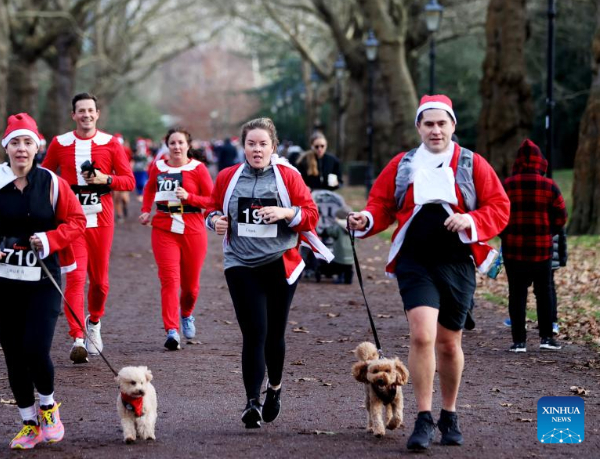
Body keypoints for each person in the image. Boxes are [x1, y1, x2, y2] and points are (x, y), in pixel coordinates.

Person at [347, 95, 510, 450]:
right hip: (415, 260)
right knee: (422, 336)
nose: (435, 130)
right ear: (419, 127)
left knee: (449, 344)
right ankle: (422, 418)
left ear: (452, 125)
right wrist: (366, 219)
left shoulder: (471, 162)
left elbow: (499, 206)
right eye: (428, 123)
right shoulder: (403, 163)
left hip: (457, 262)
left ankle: (448, 414)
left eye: (442, 123)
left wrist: (471, 218)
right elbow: (382, 204)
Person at [0, 113, 86, 449]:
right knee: (13, 353)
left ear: (37, 146)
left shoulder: (53, 184)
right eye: (15, 143)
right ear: (7, 148)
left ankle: (47, 407)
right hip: (4, 281)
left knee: (36, 347)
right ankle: (28, 422)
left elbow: (76, 221)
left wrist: (51, 239)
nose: (21, 149)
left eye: (27, 142)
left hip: (43, 279)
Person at [205, 117, 332, 429]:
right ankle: (252, 402)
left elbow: (311, 214)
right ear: (243, 146)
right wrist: (215, 222)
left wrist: (286, 212)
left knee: (274, 334)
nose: (257, 149)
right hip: (240, 264)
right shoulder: (227, 177)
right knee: (254, 333)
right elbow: (211, 210)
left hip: (279, 263)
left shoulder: (288, 176)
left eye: (263, 144)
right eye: (251, 144)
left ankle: (274, 389)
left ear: (273, 147)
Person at [41, 92, 135, 362]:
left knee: (101, 283)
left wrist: (106, 179)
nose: (86, 115)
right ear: (74, 115)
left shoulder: (111, 144)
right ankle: (77, 338)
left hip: (101, 220)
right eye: (80, 111)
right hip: (71, 221)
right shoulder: (60, 143)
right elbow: (45, 176)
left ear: (97, 114)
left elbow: (128, 181)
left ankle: (93, 321)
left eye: (90, 110)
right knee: (75, 277)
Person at [138, 127, 213, 350]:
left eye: (181, 143)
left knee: (190, 288)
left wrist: (189, 197)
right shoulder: (158, 166)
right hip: (164, 227)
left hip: (192, 228)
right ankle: (172, 331)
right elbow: (149, 188)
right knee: (170, 281)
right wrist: (145, 209)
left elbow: (211, 200)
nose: (177, 147)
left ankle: (187, 314)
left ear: (188, 146)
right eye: (173, 143)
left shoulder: (198, 169)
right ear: (167, 145)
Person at [500, 139, 567, 353]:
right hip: (541, 248)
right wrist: (548, 233)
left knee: (517, 293)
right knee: (544, 292)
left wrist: (505, 234)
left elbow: (497, 214)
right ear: (541, 162)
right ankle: (546, 337)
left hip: (513, 248)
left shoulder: (507, 185)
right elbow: (561, 215)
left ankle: (519, 341)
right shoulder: (549, 186)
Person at [113, 133, 133, 221]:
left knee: (124, 198)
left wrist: (129, 169)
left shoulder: (126, 150)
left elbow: (131, 160)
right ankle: (119, 215)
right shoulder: (110, 150)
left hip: (124, 176)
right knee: (116, 197)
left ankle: (125, 205)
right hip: (114, 176)